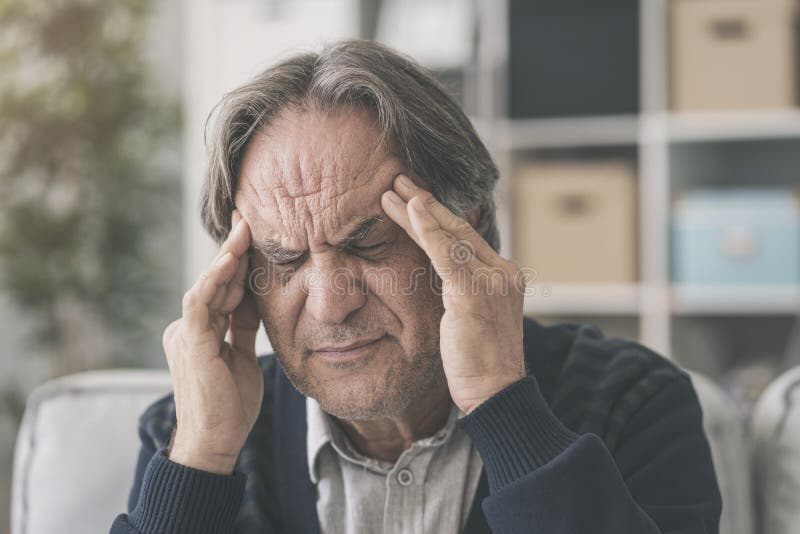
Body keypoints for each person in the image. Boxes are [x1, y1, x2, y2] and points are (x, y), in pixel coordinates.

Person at [110, 40, 721, 534]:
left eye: (369, 242)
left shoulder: (633, 402)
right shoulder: (186, 438)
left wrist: (498, 401)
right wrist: (202, 459)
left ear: (466, 230)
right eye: (284, 258)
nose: (330, 302)